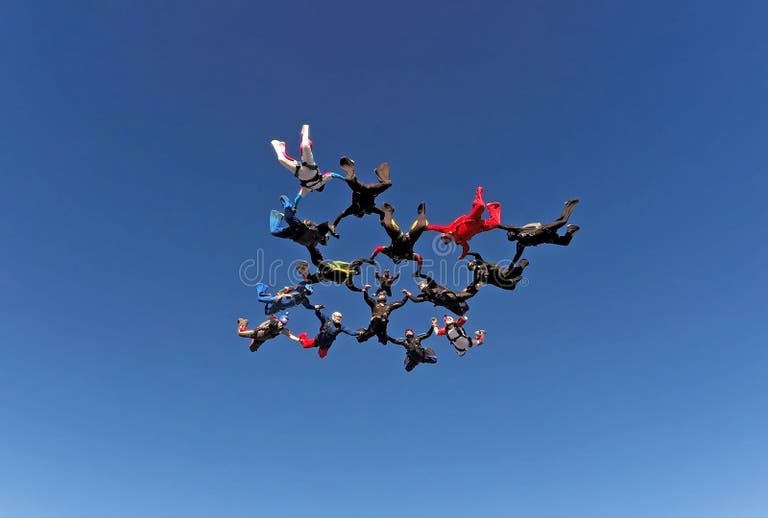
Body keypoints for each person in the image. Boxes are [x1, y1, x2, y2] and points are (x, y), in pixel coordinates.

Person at [270, 124, 344, 206]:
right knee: (304, 146)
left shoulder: (308, 189)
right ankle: (305, 128)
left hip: (300, 171)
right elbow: (333, 175)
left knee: (281, 158)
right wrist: (346, 180)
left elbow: (298, 197)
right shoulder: (321, 181)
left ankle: (279, 144)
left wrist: (295, 207)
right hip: (309, 167)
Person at [426, 186, 501, 259]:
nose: (447, 240)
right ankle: (491, 206)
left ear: (445, 235)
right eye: (447, 241)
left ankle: (477, 196)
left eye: (445, 238)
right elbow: (466, 248)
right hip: (480, 227)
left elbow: (435, 227)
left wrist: (424, 228)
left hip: (472, 219)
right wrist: (463, 256)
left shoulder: (448, 229)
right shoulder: (460, 241)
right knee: (496, 223)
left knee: (481, 206)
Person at [499, 199, 580, 263]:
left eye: (509, 233)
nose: (508, 236)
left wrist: (494, 225)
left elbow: (505, 227)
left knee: (563, 220)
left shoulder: (519, 230)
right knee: (565, 242)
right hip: (547, 238)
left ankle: (569, 204)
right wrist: (511, 265)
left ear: (512, 231)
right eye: (508, 235)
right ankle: (571, 229)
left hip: (545, 229)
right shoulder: (520, 244)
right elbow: (517, 255)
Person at [270, 195, 337, 265]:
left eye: (322, 243)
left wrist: (321, 263)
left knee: (274, 231)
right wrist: (332, 231)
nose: (321, 242)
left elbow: (315, 256)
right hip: (300, 228)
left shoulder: (312, 246)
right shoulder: (318, 231)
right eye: (323, 241)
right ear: (323, 237)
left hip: (292, 235)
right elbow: (325, 225)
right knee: (288, 218)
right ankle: (288, 205)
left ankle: (277, 215)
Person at [331, 157, 392, 233]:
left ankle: (351, 170)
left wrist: (333, 226)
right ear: (362, 213)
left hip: (361, 190)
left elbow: (342, 214)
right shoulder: (370, 210)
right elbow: (382, 213)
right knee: (388, 183)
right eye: (358, 214)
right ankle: (379, 173)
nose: (358, 213)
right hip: (369, 191)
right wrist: (382, 221)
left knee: (350, 180)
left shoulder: (354, 209)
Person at [369, 202, 427, 272]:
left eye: (395, 259)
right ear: (401, 260)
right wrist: (418, 271)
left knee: (387, 225)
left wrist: (372, 257)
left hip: (397, 237)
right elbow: (419, 258)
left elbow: (379, 248)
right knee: (422, 225)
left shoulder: (390, 253)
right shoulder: (408, 256)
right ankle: (421, 213)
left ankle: (388, 210)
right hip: (409, 238)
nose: (397, 258)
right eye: (398, 259)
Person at [403, 272, 479, 317]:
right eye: (419, 287)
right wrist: (408, 294)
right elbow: (416, 300)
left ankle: (478, 284)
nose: (419, 287)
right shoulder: (426, 296)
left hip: (452, 296)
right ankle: (463, 301)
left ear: (426, 284)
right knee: (461, 313)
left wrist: (419, 274)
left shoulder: (433, 285)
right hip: (449, 305)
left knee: (469, 294)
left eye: (421, 285)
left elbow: (428, 277)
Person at [295, 258, 372, 293]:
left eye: (355, 273)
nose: (354, 273)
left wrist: (362, 290)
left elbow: (352, 288)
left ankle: (305, 268)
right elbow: (359, 260)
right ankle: (306, 266)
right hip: (328, 271)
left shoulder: (349, 278)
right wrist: (370, 260)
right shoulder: (348, 270)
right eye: (355, 272)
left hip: (323, 276)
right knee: (317, 263)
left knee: (309, 281)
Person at [466, 252, 530, 292]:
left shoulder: (480, 262)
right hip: (498, 282)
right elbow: (473, 284)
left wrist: (466, 253)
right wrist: (469, 289)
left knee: (506, 275)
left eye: (471, 264)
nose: (471, 265)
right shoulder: (477, 276)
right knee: (512, 287)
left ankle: (523, 262)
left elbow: (477, 254)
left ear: (473, 262)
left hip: (499, 271)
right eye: (470, 267)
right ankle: (516, 279)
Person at [255, 281, 321, 315]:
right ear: (304, 288)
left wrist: (316, 307)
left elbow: (308, 306)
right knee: (259, 299)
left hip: (279, 307)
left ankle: (268, 296)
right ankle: (261, 286)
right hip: (278, 300)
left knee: (267, 313)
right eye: (306, 291)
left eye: (308, 293)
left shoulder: (303, 299)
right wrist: (281, 293)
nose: (305, 293)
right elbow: (291, 288)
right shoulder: (298, 289)